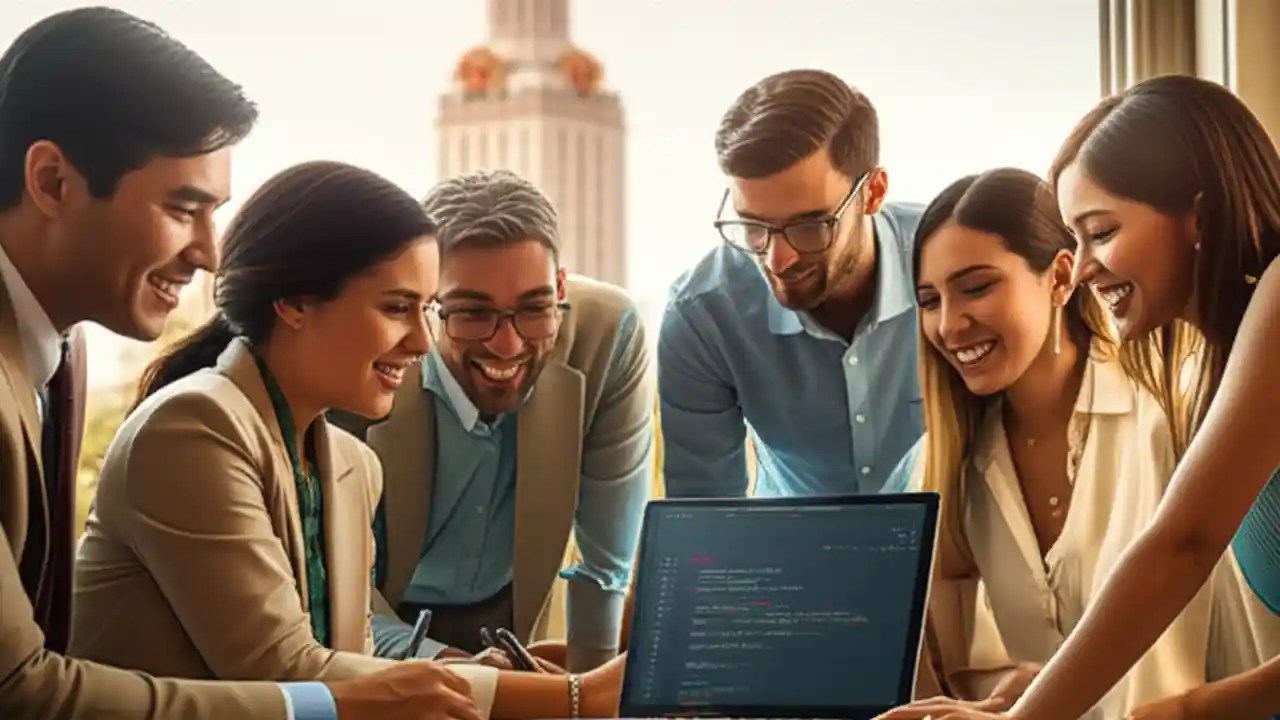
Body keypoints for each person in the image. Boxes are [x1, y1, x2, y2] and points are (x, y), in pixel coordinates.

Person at [0, 8, 504, 719]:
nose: (210, 253)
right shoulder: (193, 422)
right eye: (184, 209)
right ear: (52, 182)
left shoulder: (58, 352)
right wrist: (570, 698)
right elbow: (16, 690)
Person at [895, 76, 1280, 720]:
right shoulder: (1225, 364)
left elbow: (1180, 547)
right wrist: (1187, 711)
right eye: (1074, 239)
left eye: (1100, 232)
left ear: (1201, 217)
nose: (1085, 267)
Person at [340, 169, 651, 674]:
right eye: (470, 313)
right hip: (375, 618)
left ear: (561, 286)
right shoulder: (364, 349)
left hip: (510, 617)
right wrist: (442, 663)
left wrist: (584, 692)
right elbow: (332, 590)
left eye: (535, 308)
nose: (507, 345)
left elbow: (604, 565)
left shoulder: (607, 336)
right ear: (426, 300)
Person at [658, 68, 923, 499]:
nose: (778, 259)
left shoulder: (949, 269)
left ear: (873, 192)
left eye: (810, 226)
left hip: (947, 557)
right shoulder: (702, 315)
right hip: (780, 556)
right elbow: (705, 521)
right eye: (753, 226)